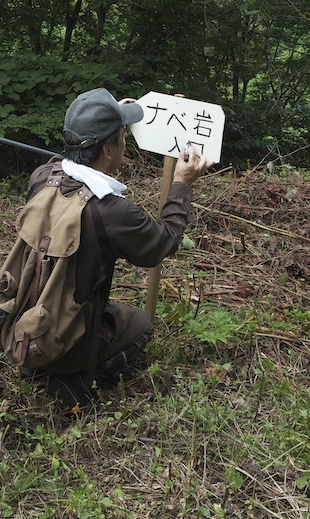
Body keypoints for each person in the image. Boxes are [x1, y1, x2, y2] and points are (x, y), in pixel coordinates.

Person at [25, 87, 211, 411]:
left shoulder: (42, 177)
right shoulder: (111, 211)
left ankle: (40, 359)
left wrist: (109, 113)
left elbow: (68, 156)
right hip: (68, 338)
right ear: (109, 149)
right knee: (141, 325)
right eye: (121, 135)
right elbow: (162, 243)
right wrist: (182, 184)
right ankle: (77, 373)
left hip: (25, 321)